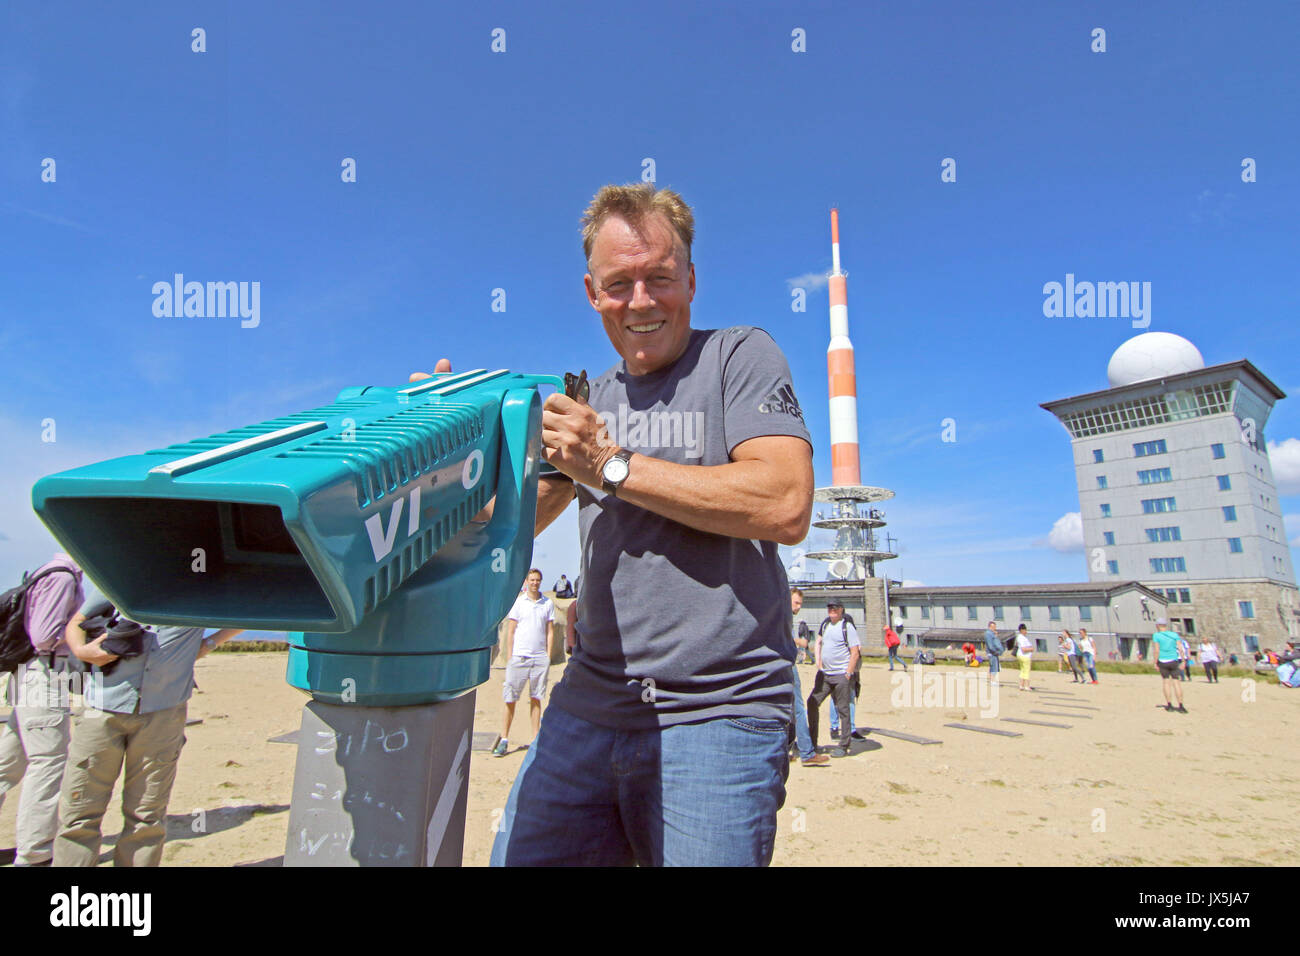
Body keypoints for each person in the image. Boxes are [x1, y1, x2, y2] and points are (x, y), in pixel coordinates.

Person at [460, 183, 814, 866]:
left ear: (691, 277)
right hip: (588, 706)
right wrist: (447, 452)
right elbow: (509, 521)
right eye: (619, 283)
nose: (642, 300)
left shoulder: (738, 356)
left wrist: (612, 463)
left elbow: (785, 501)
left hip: (721, 711)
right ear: (592, 292)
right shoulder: (589, 398)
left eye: (660, 276)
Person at [54, 583, 244, 866]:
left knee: (147, 816)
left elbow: (245, 613)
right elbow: (77, 623)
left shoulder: (205, 583)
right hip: (101, 710)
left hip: (164, 712)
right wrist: (83, 651)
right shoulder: (119, 571)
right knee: (80, 812)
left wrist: (207, 645)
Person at [0, 553, 83, 866]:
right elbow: (44, 637)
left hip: (28, 676)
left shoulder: (48, 570)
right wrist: (81, 632)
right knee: (47, 763)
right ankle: (34, 854)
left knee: (7, 763)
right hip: (43, 677)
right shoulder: (63, 576)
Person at [492, 568, 554, 757]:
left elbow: (550, 631)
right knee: (510, 699)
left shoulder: (547, 603)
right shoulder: (518, 602)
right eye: (532, 580)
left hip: (539, 658)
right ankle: (504, 739)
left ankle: (535, 738)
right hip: (519, 657)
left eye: (537, 580)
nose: (535, 583)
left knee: (536, 698)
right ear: (526, 582)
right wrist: (510, 657)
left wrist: (548, 656)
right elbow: (511, 631)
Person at [808, 601, 858, 758]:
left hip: (841, 675)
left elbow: (855, 651)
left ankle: (844, 745)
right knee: (812, 703)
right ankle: (812, 742)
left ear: (841, 610)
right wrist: (818, 661)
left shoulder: (847, 627)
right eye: (830, 608)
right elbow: (818, 642)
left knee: (843, 709)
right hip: (825, 675)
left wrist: (848, 673)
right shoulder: (825, 625)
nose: (832, 610)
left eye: (835, 608)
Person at [787, 589, 828, 768]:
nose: (799, 607)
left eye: (800, 604)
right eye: (796, 603)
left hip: (784, 663)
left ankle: (785, 750)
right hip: (787, 664)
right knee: (798, 709)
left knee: (787, 709)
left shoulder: (781, 613)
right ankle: (807, 752)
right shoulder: (784, 616)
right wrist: (798, 642)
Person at [1151, 618, 1187, 713]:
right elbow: (1180, 648)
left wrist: (1155, 662)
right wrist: (1183, 660)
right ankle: (1181, 705)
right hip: (1174, 660)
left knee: (1166, 682)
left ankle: (1169, 705)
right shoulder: (1174, 635)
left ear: (1158, 625)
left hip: (1163, 661)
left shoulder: (1156, 635)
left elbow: (1157, 650)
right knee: (1176, 683)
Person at [1014, 624, 1034, 691]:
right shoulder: (1022, 638)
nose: (1026, 631)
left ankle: (1021, 685)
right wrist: (1031, 649)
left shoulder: (1019, 637)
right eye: (1025, 630)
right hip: (1025, 656)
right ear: (1022, 630)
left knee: (1022, 670)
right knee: (1026, 671)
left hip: (1020, 655)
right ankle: (1027, 686)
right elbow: (1023, 649)